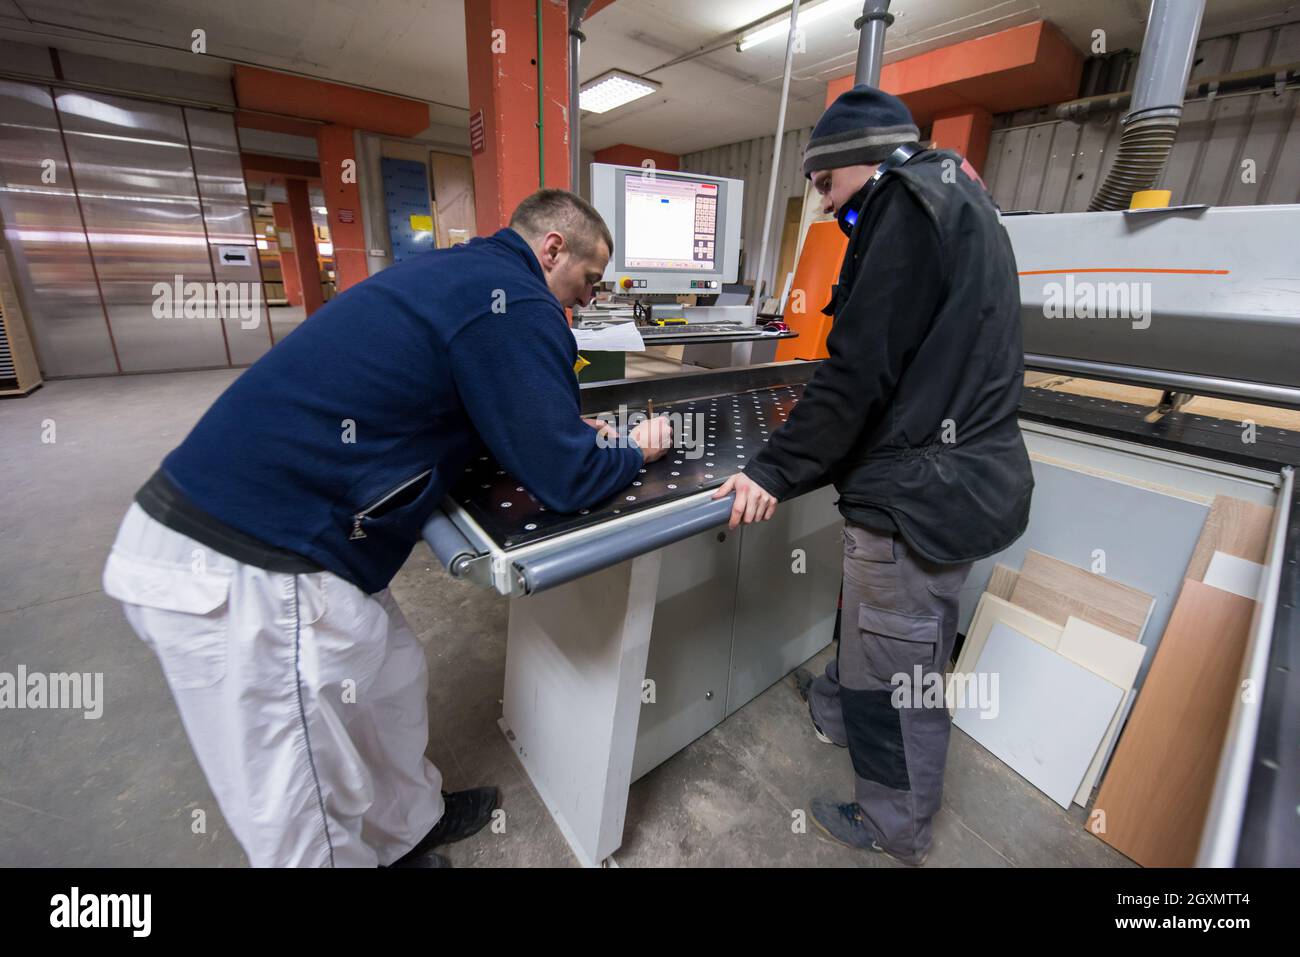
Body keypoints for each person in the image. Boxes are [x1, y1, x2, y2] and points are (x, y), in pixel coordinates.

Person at [102, 189, 672, 867]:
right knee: (300, 796)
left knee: (388, 675)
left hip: (299, 529)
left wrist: (548, 421)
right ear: (552, 248)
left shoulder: (462, 273)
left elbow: (466, 384)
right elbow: (567, 478)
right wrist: (637, 448)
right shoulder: (520, 301)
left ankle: (409, 827)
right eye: (587, 281)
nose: (584, 301)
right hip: (246, 559)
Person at [713, 85, 1034, 865]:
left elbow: (858, 371)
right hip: (951, 476)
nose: (824, 206)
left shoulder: (904, 206)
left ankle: (895, 824)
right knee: (875, 624)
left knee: (900, 673)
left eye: (825, 184)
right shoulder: (958, 192)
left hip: (921, 492)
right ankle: (833, 706)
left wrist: (773, 469)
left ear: (865, 161)